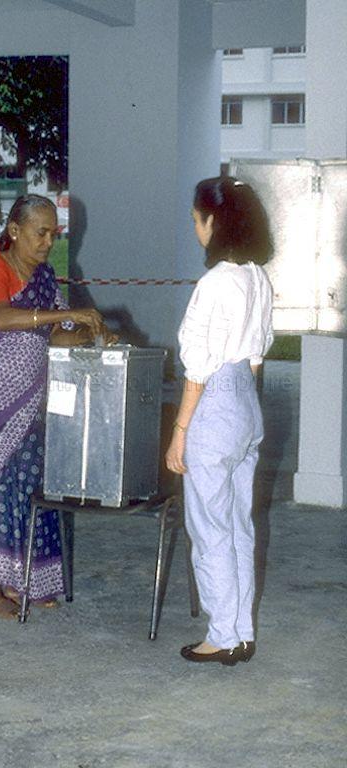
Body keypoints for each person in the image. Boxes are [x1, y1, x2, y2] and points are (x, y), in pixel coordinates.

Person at [0, 194, 116, 619]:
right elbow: (3, 320)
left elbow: (56, 337)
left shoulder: (45, 277)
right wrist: (59, 316)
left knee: (30, 480)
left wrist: (91, 331)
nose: (48, 241)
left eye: (54, 233)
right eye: (40, 232)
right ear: (14, 231)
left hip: (33, 392)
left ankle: (24, 580)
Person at [165, 176, 274, 665]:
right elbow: (255, 359)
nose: (195, 229)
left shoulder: (214, 283)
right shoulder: (258, 278)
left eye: (196, 219)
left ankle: (221, 636)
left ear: (215, 222)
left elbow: (198, 372)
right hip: (248, 405)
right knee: (238, 525)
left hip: (213, 406)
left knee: (209, 528)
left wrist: (180, 433)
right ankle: (241, 630)